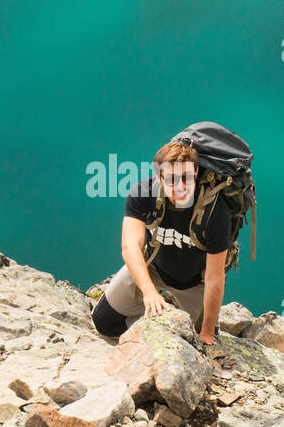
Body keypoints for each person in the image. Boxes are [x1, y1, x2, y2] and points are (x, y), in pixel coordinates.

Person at [91, 141, 230, 345]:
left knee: (198, 342)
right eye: (172, 179)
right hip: (154, 269)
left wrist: (208, 330)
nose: (181, 187)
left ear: (197, 171)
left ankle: (172, 321)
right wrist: (149, 292)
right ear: (158, 175)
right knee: (104, 322)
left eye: (187, 177)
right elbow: (130, 246)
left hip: (195, 282)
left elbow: (215, 276)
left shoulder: (215, 211)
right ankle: (150, 333)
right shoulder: (143, 193)